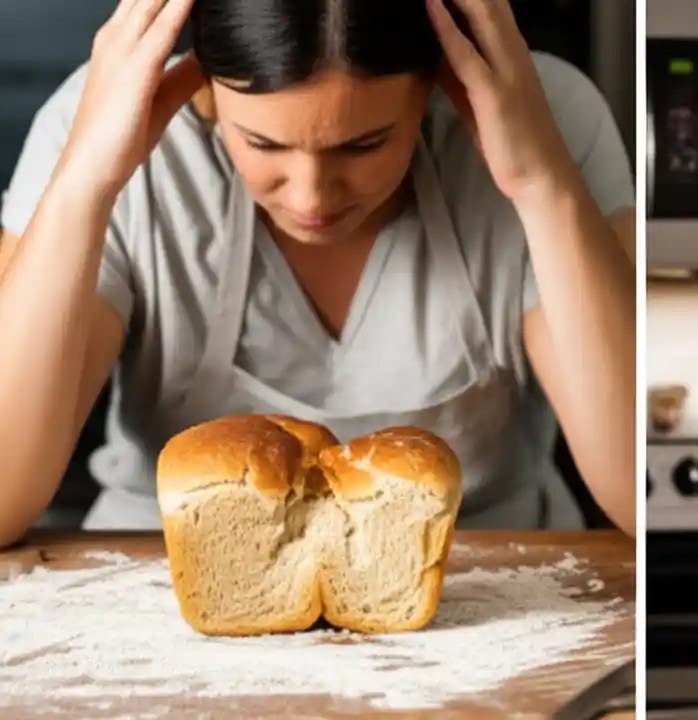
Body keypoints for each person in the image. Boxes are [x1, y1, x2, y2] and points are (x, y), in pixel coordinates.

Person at [0, 0, 636, 544]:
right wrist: (85, 182)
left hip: (507, 595)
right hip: (150, 583)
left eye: (364, 144)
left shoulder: (546, 119)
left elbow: (639, 497)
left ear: (438, 82)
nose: (311, 198)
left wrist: (541, 183)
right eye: (263, 144)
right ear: (209, 88)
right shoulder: (101, 125)